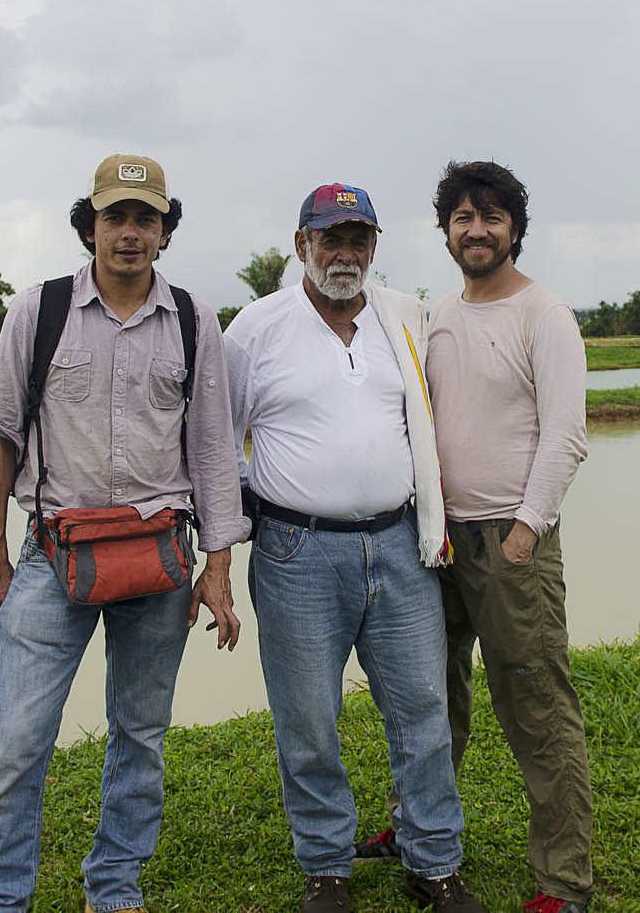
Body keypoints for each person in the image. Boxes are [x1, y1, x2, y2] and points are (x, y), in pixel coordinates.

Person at [0, 153, 247, 913]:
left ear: (165, 231)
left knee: (141, 735)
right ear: (88, 226)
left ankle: (115, 886)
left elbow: (213, 449)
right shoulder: (39, 310)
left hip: (159, 559)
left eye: (145, 219)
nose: (129, 233)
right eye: (114, 216)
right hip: (51, 555)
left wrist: (218, 567)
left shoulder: (194, 320)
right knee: (19, 738)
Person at [223, 184, 484, 913]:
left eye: (359, 240)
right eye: (330, 238)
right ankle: (326, 867)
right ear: (301, 243)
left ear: (374, 247)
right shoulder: (255, 328)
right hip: (296, 551)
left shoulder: (402, 316)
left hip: (400, 544)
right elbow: (219, 440)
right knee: (308, 720)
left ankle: (433, 861)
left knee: (423, 708)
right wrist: (247, 518)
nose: (345, 254)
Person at [419, 159, 595, 913]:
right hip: (438, 542)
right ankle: (420, 834)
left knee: (535, 706)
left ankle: (564, 880)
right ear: (446, 232)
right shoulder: (436, 314)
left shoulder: (543, 315)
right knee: (430, 699)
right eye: (462, 217)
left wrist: (526, 532)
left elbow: (565, 435)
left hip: (509, 542)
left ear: (515, 228)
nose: (477, 230)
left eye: (491, 216)